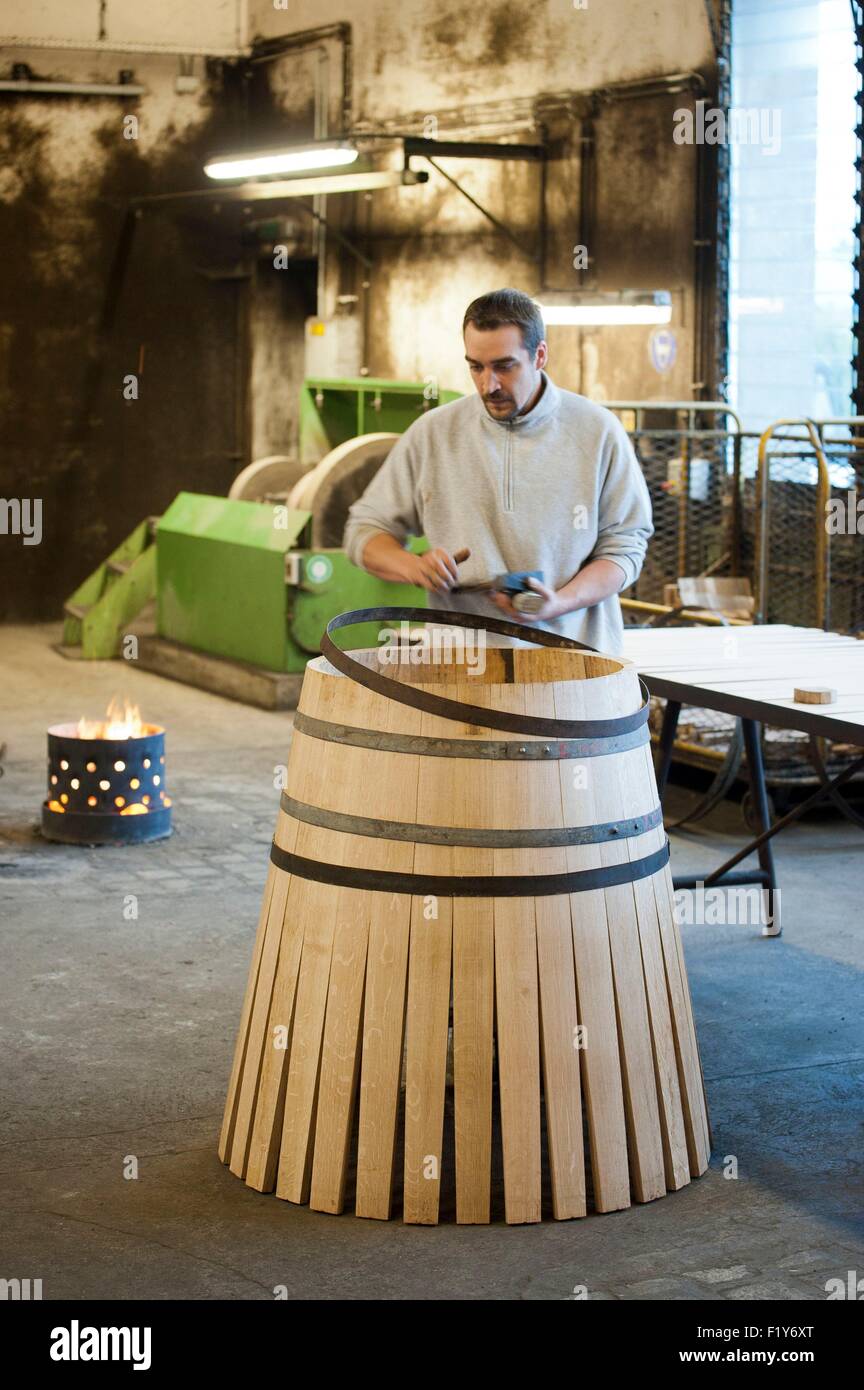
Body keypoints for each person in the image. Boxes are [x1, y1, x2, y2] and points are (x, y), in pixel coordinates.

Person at [342, 287, 653, 654]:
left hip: (574, 663)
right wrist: (412, 566)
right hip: (460, 666)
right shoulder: (434, 434)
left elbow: (624, 548)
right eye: (476, 367)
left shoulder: (598, 432)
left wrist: (560, 602)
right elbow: (364, 530)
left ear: (539, 355)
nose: (488, 385)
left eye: (504, 366)